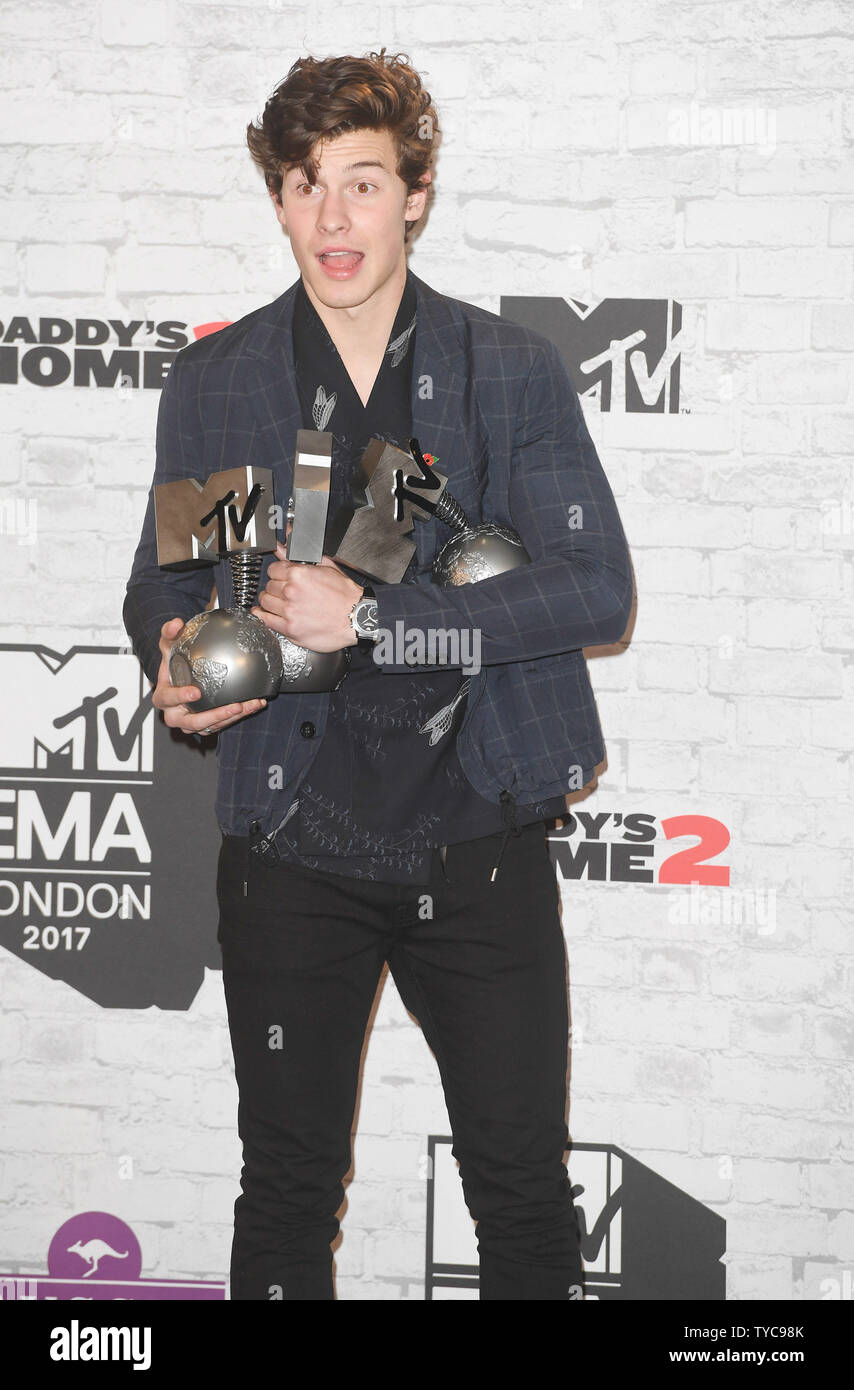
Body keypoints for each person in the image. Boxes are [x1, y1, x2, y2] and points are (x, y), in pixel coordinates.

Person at [123, 49, 634, 1301]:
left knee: (518, 1190)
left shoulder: (502, 373)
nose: (332, 217)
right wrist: (174, 661)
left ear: (414, 194)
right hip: (291, 847)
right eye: (304, 186)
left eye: (362, 183)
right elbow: (170, 582)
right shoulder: (225, 378)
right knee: (287, 1186)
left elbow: (591, 592)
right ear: (279, 200)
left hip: (479, 842)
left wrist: (382, 620)